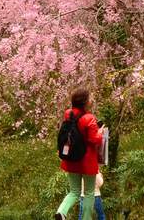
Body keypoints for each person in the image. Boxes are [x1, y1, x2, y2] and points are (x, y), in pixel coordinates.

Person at [55, 89, 103, 220]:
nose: (91, 100)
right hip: (86, 162)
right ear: (85, 102)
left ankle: (61, 212)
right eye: (90, 98)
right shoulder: (89, 119)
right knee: (88, 193)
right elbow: (94, 139)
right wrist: (100, 132)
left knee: (74, 191)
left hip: (71, 159)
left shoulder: (68, 114)